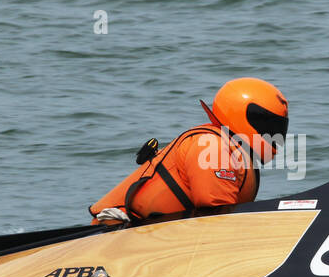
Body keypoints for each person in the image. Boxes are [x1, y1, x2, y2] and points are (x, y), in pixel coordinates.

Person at [89, 77, 288, 224]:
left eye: (279, 126)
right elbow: (216, 218)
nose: (275, 133)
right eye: (268, 124)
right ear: (241, 115)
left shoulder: (231, 149)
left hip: (151, 235)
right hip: (116, 234)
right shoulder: (213, 146)